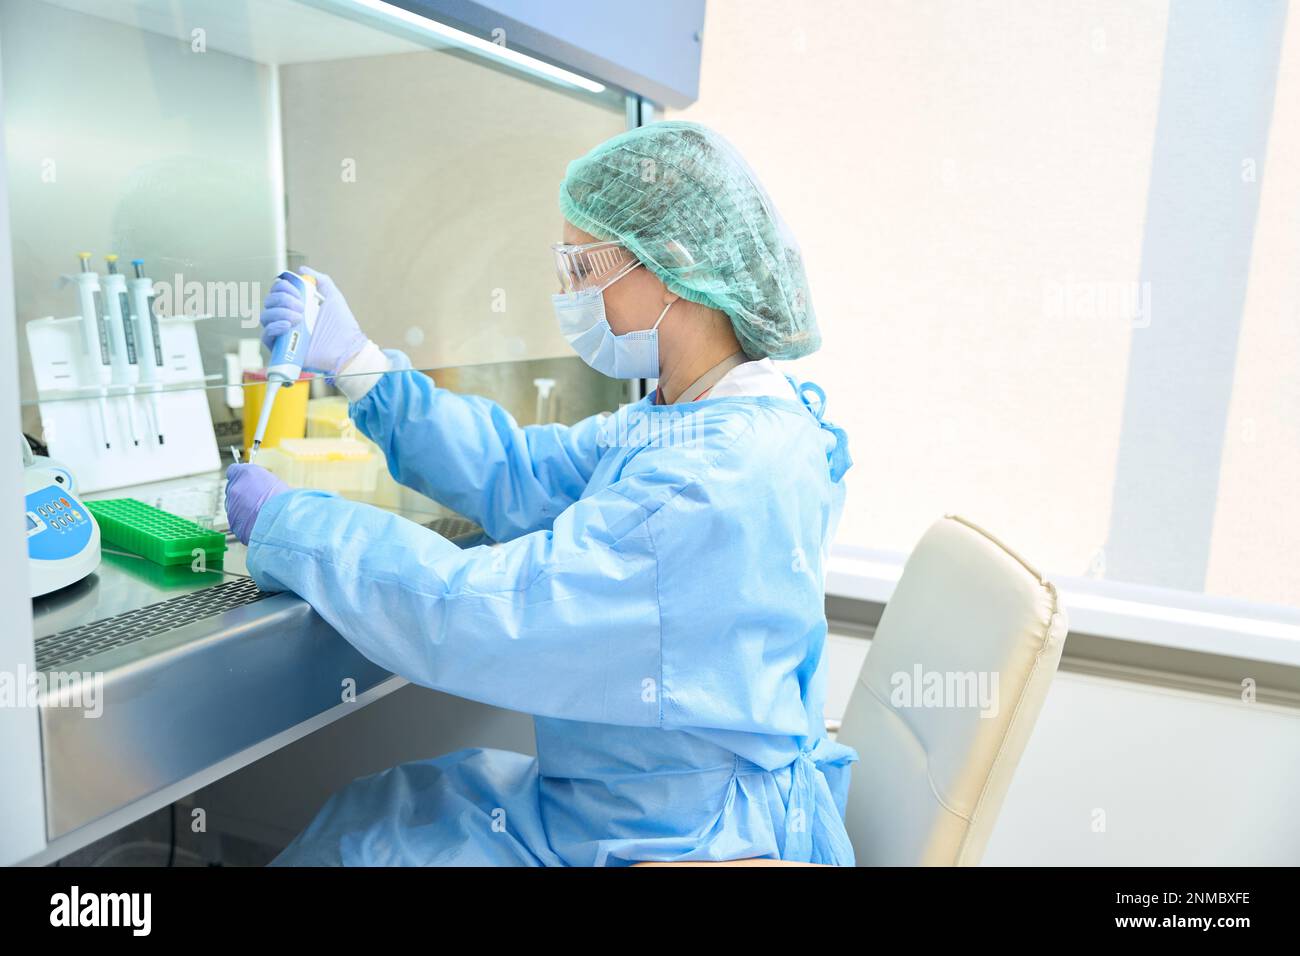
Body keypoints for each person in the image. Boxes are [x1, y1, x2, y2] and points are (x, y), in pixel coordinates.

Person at [225, 121, 856, 866]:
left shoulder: (712, 478)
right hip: (618, 800)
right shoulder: (695, 415)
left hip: (677, 839)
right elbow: (520, 471)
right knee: (375, 816)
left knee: (364, 851)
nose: (570, 295)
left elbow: (481, 614)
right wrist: (361, 364)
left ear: (674, 270)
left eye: (584, 270)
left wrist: (292, 524)